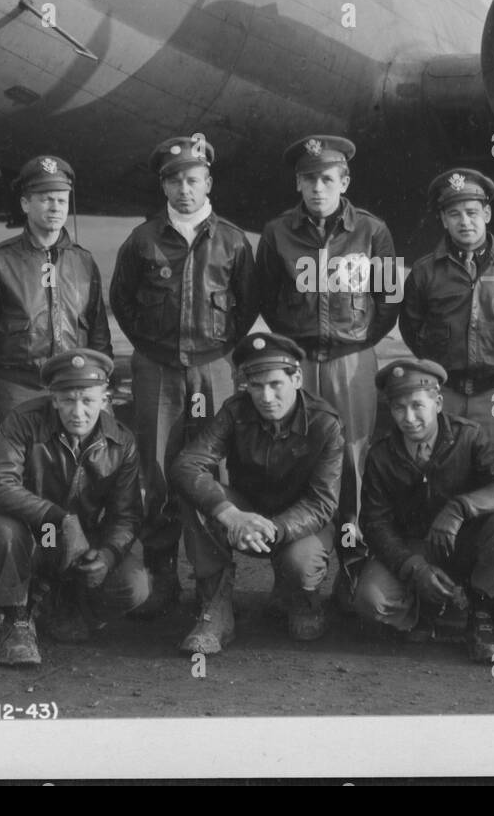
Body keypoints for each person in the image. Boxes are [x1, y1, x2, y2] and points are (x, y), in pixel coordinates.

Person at [109, 135, 258, 617]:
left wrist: (217, 350)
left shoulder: (232, 240)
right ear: (164, 187)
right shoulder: (143, 239)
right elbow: (123, 301)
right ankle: (162, 574)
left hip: (213, 367)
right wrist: (154, 348)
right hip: (156, 368)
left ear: (208, 182)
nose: (184, 190)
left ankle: (215, 584)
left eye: (192, 180)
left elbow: (247, 304)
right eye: (174, 181)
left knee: (210, 470)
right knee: (154, 469)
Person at [255, 135, 400, 605]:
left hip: (350, 362)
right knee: (295, 460)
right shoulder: (277, 233)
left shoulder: (373, 231)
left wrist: (357, 342)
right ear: (298, 183)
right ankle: (294, 572)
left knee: (354, 465)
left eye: (327, 178)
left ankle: (353, 567)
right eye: (309, 179)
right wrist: (297, 344)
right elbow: (268, 299)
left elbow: (389, 299)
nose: (319, 187)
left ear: (345, 180)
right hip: (297, 363)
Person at [169, 333, 343, 654]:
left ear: (297, 378)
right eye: (256, 385)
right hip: (247, 516)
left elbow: (322, 503)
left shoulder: (324, 423)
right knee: (194, 494)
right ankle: (216, 608)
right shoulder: (236, 411)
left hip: (298, 524)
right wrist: (232, 515)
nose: (265, 396)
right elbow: (188, 464)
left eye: (276, 384)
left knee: (302, 565)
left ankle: (302, 598)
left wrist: (274, 529)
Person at [0, 349, 150, 667]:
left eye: (88, 400)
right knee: (3, 531)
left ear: (105, 399)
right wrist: (58, 516)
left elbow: (127, 515)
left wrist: (108, 555)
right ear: (54, 399)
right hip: (33, 535)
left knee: (133, 586)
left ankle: (65, 603)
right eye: (68, 400)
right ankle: (17, 620)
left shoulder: (121, 442)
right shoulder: (23, 422)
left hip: (83, 544)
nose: (78, 411)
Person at [355, 358, 494, 662]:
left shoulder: (468, 436)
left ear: (437, 402)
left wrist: (460, 508)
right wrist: (414, 568)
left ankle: (483, 614)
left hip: (465, 543)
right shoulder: (381, 455)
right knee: (372, 601)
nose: (409, 418)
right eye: (398, 408)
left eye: (417, 405)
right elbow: (374, 522)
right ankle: (428, 606)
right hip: (415, 550)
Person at [0, 155, 112, 438]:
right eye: (45, 198)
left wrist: (102, 390)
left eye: (62, 200)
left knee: (81, 475)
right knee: (19, 475)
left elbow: (99, 335)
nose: (55, 207)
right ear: (25, 204)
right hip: (19, 391)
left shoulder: (83, 262)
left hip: (73, 388)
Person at [399, 167, 494, 464]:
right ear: (443, 220)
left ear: (486, 214)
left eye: (472, 212)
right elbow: (411, 328)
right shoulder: (425, 272)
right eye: (454, 214)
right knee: (445, 473)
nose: (465, 221)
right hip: (446, 389)